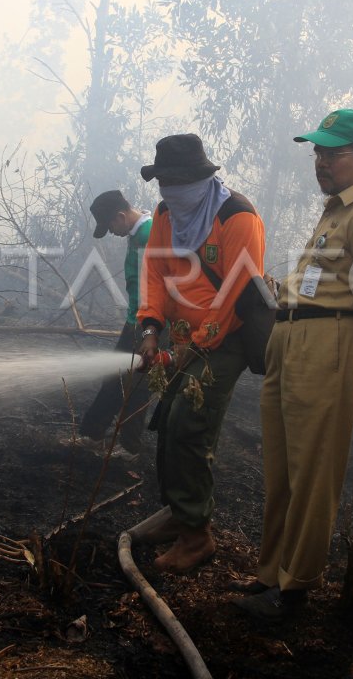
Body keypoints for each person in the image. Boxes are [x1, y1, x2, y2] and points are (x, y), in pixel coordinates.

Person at [232, 109, 353, 623]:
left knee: (313, 473)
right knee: (283, 468)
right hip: (294, 340)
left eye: (333, 153)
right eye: (318, 152)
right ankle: (270, 573)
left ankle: (294, 591)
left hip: (331, 344)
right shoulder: (336, 210)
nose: (321, 161)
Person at [135, 133, 266, 573]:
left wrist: (196, 345)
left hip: (224, 339)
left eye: (178, 182)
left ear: (201, 178)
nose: (170, 192)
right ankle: (178, 512)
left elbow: (236, 293)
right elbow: (154, 271)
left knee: (188, 423)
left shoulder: (236, 217)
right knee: (168, 421)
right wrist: (151, 326)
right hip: (181, 337)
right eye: (163, 183)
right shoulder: (165, 215)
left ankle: (197, 537)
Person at [63, 190, 153, 460]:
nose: (112, 232)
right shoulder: (138, 233)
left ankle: (129, 447)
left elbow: (160, 284)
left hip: (150, 321)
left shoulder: (149, 235)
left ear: (121, 216)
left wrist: (151, 327)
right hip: (136, 318)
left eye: (111, 226)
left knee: (136, 385)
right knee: (116, 376)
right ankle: (93, 434)